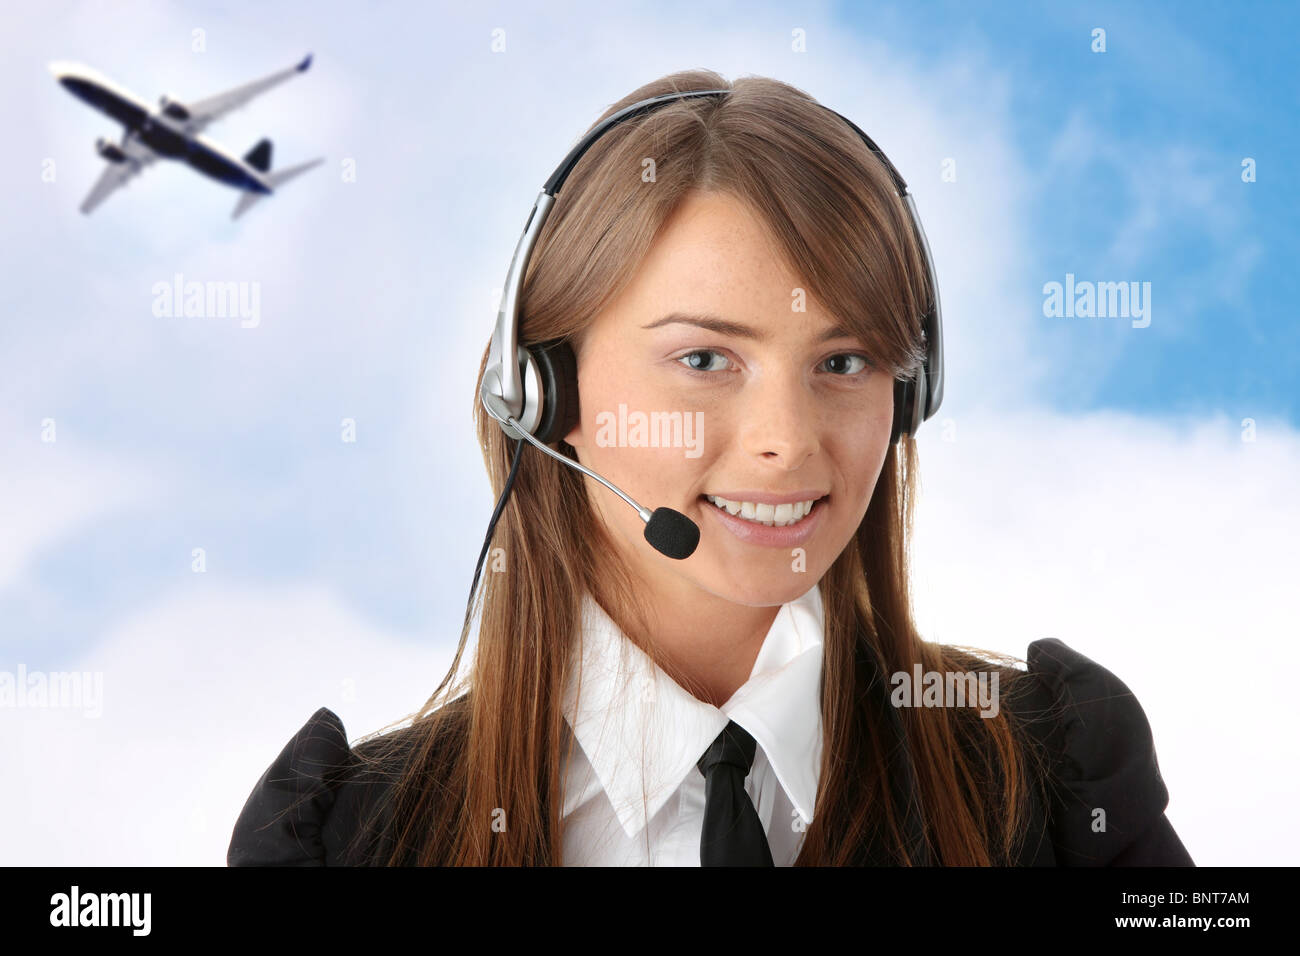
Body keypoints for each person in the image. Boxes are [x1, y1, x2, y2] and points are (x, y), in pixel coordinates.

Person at [227, 69, 1193, 867]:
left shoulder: (1057, 778)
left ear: (907, 395)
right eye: (703, 360)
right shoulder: (343, 844)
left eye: (843, 363)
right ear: (541, 395)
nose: (787, 440)